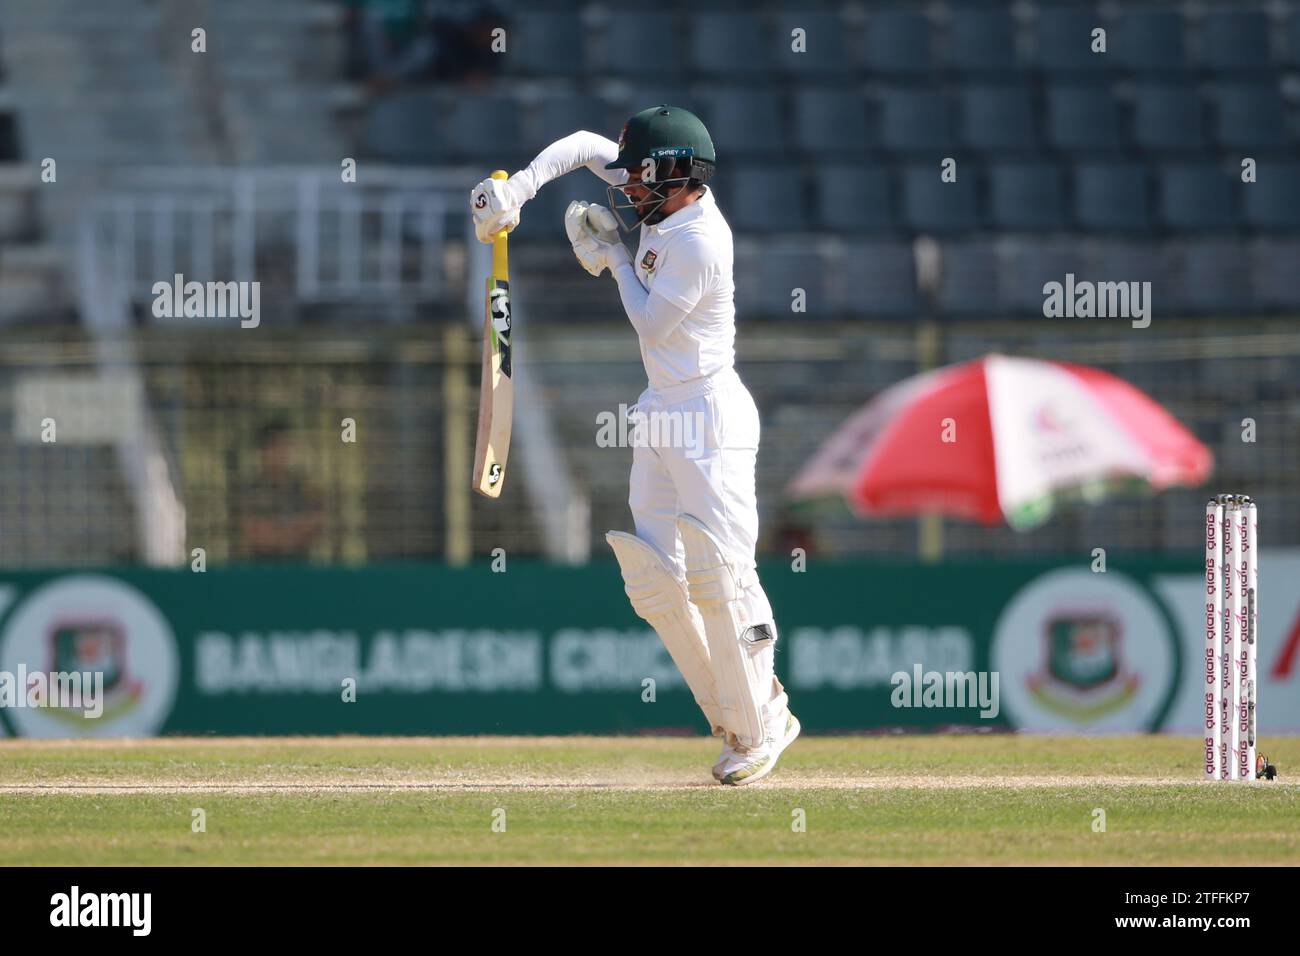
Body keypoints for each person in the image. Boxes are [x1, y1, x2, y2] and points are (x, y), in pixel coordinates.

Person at [470, 106, 799, 786]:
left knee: (723, 574)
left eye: (639, 178)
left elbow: (651, 324)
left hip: (710, 414)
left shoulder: (702, 241)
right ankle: (744, 719)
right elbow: (581, 146)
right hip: (660, 409)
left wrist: (613, 258)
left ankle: (765, 723)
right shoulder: (654, 189)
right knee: (655, 577)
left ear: (678, 175)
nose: (625, 191)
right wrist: (517, 194)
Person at [234, 419, 324, 562]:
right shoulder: (250, 491)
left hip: (300, 569)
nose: (281, 453)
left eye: (286, 446)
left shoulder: (305, 487)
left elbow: (315, 524)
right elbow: (253, 532)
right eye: (275, 447)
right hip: (261, 569)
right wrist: (291, 535)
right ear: (263, 451)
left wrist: (277, 535)